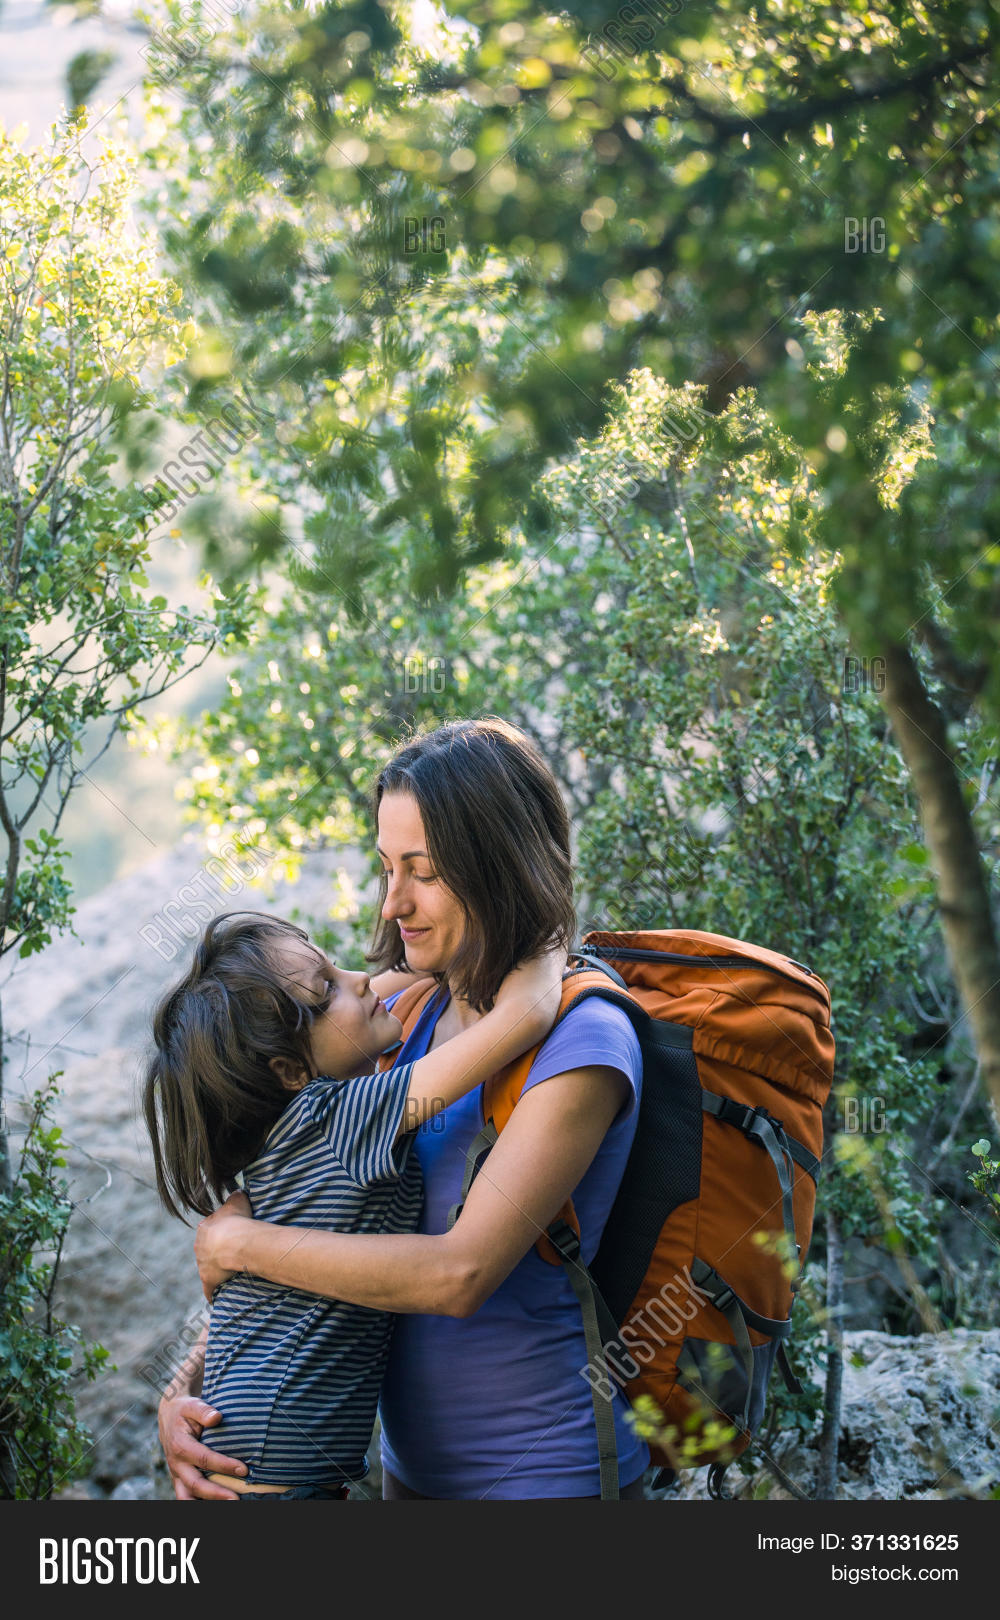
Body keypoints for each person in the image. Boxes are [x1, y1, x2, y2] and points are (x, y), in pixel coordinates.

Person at [159, 718, 649, 1500]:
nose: (392, 905)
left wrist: (235, 1244)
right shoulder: (406, 1014)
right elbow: (311, 1209)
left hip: (546, 1481)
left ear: (497, 866)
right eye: (387, 867)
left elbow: (460, 1273)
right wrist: (192, 1391)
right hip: (405, 1482)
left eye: (421, 870)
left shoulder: (585, 1039)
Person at [143, 909, 565, 1499]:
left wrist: (180, 1385)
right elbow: (528, 1014)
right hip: (271, 1479)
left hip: (245, 1452)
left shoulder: (281, 1140)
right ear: (290, 1071)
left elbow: (388, 983)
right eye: (327, 988)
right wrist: (549, 931)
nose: (360, 978)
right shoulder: (339, 1117)